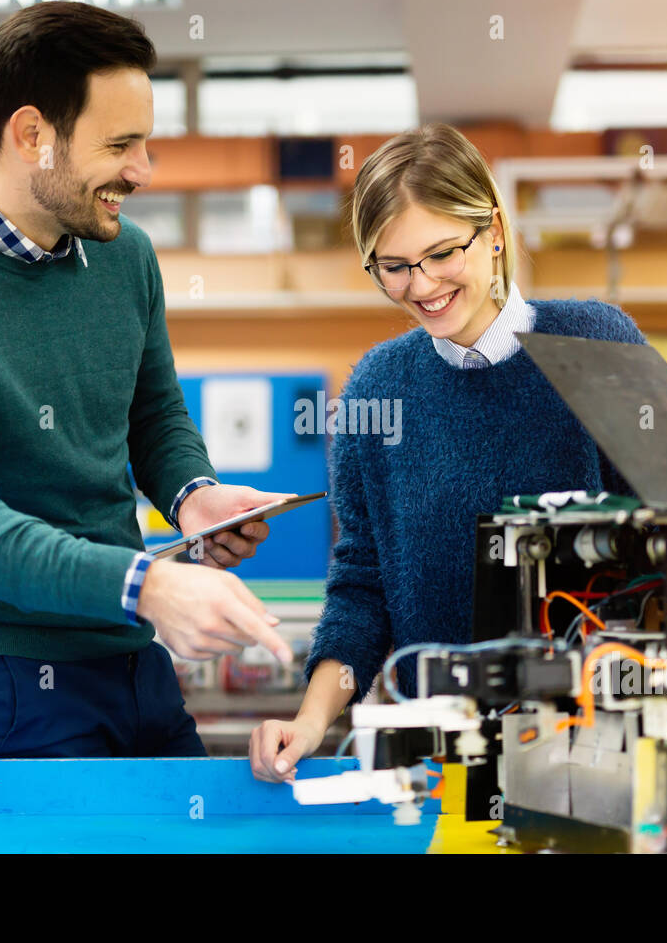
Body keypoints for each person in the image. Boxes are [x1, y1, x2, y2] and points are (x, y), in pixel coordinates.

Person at [0, 2, 293, 759]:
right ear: (32, 136)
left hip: (131, 663)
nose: (143, 172)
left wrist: (193, 495)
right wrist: (146, 585)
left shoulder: (126, 258)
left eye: (147, 143)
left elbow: (154, 418)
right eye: (121, 144)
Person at [250, 123, 645, 782]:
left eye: (440, 254)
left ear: (492, 230)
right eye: (393, 266)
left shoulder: (599, 345)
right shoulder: (377, 387)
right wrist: (312, 720)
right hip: (436, 758)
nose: (422, 285)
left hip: (595, 752)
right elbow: (364, 582)